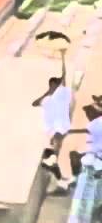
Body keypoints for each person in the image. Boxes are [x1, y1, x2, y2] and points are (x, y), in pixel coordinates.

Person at [34, 51, 72, 191]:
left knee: (54, 154)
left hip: (58, 128)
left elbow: (63, 77)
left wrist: (63, 58)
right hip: (55, 129)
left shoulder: (57, 96)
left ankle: (59, 178)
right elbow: (35, 103)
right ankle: (59, 178)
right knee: (53, 154)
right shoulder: (54, 97)